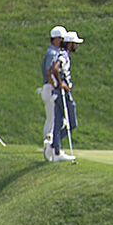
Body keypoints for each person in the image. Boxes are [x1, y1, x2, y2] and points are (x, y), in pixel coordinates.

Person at [40, 26, 78, 162]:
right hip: (58, 91)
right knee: (70, 122)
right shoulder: (61, 55)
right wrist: (59, 84)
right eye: (75, 43)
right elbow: (53, 70)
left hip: (55, 90)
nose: (77, 46)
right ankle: (53, 146)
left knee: (57, 122)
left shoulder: (58, 53)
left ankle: (55, 150)